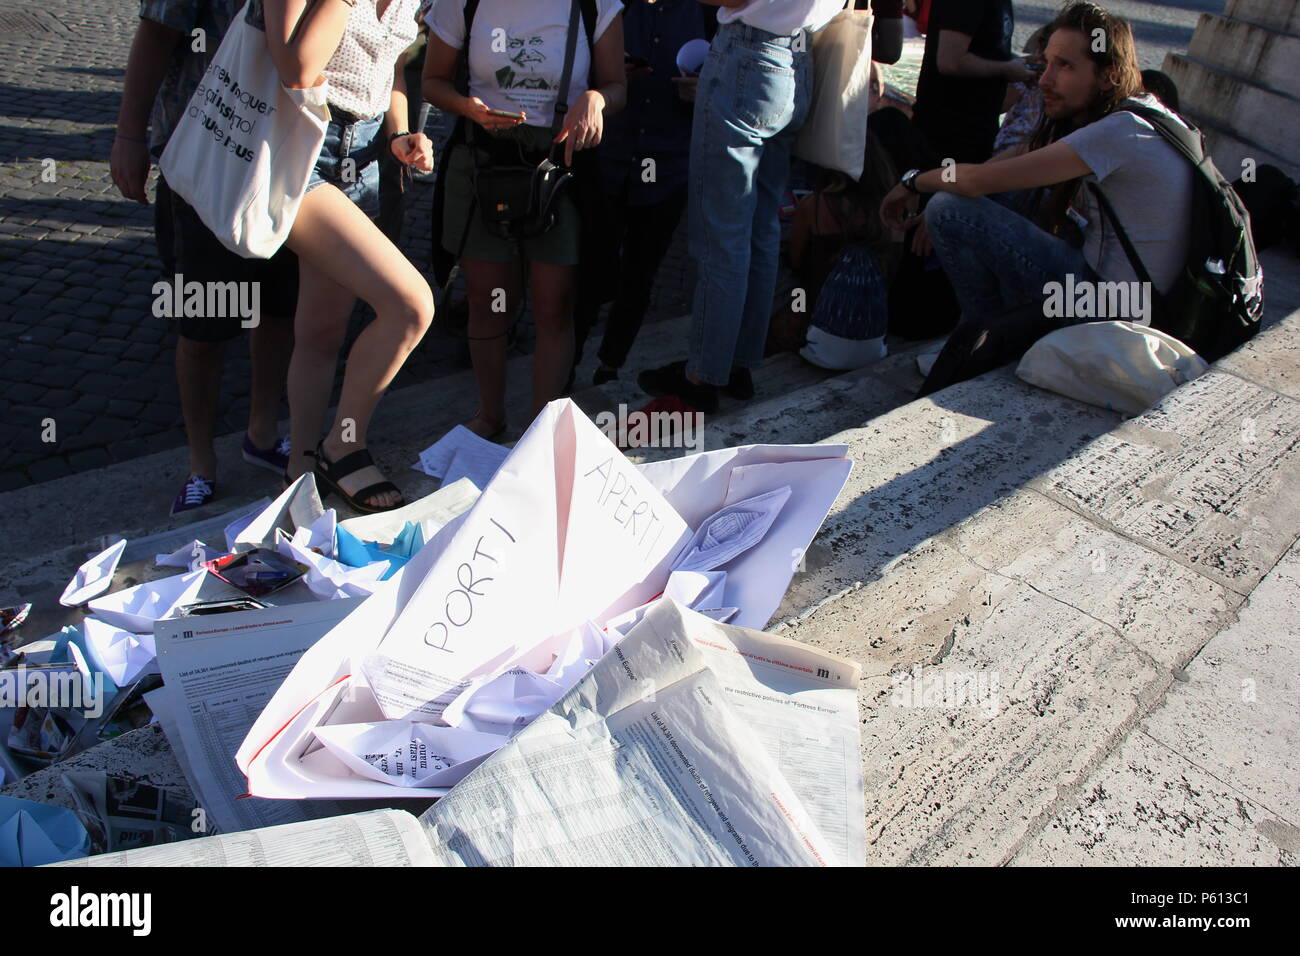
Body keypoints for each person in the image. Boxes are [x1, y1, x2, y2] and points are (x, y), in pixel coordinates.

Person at [880, 2, 1194, 394]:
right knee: (996, 195)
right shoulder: (1138, 114)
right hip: (1137, 297)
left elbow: (979, 181)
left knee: (949, 211)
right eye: (1045, 64)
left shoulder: (1118, 133)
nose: (1045, 79)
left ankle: (982, 340)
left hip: (1115, 309)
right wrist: (953, 181)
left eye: (1064, 66)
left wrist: (915, 182)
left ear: (1109, 75)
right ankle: (988, 334)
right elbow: (1017, 159)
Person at [112, 0, 297, 515]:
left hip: (283, 159)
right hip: (202, 154)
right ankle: (201, 464)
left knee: (278, 306)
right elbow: (156, 32)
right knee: (200, 324)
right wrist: (129, 137)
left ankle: (262, 432)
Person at [261, 0, 436, 514]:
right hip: (299, 151)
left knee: (320, 329)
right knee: (411, 305)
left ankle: (300, 472)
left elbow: (395, 67)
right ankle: (344, 445)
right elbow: (296, 69)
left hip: (361, 157)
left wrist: (400, 132)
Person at [422, 0, 627, 440]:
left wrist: (595, 98)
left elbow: (617, 86)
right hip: (484, 163)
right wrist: (466, 106)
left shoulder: (595, 4)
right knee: (489, 301)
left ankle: (539, 433)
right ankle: (490, 415)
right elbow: (432, 82)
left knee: (554, 305)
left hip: (559, 169)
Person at [638, 0, 844, 415]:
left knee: (723, 235)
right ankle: (737, 364)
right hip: (796, 62)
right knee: (760, 228)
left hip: (752, 56)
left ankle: (703, 377)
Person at [571, 0, 714, 389]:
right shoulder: (608, 6)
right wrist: (612, 82)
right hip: (608, 161)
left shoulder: (707, 12)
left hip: (667, 168)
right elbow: (567, 71)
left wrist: (705, 90)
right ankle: (564, 368)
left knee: (640, 276)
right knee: (587, 273)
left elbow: (727, 84)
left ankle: (610, 367)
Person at [787, 132, 901, 369]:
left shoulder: (815, 205)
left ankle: (789, 328)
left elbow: (795, 262)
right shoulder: (894, 210)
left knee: (787, 279)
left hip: (817, 340)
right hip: (874, 343)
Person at [910, 0, 1036, 164]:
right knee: (945, 185)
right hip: (949, 134)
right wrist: (1006, 69)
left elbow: (988, 50)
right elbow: (950, 61)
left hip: (975, 129)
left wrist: (1023, 63)